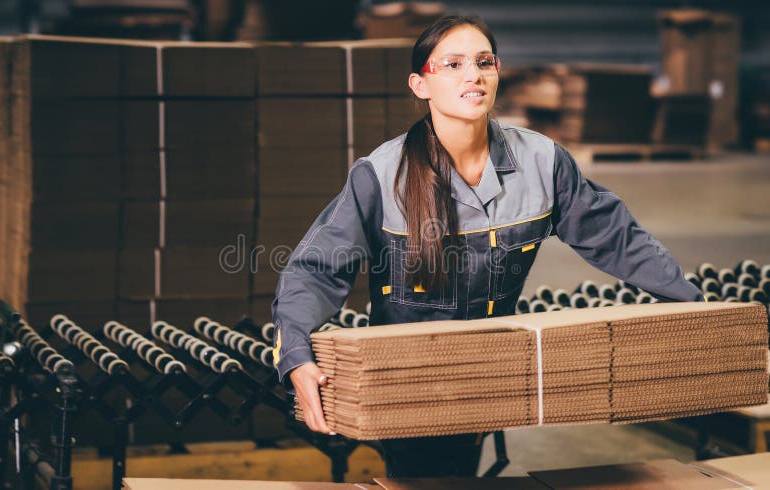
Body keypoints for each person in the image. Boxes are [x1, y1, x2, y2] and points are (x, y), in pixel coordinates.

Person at [270, 15, 703, 478]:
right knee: (426, 478)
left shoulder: (543, 162)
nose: (473, 75)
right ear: (420, 85)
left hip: (491, 375)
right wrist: (294, 355)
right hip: (406, 384)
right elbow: (315, 270)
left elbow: (617, 239)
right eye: (453, 64)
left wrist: (700, 311)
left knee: (459, 476)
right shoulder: (380, 175)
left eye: (484, 62)